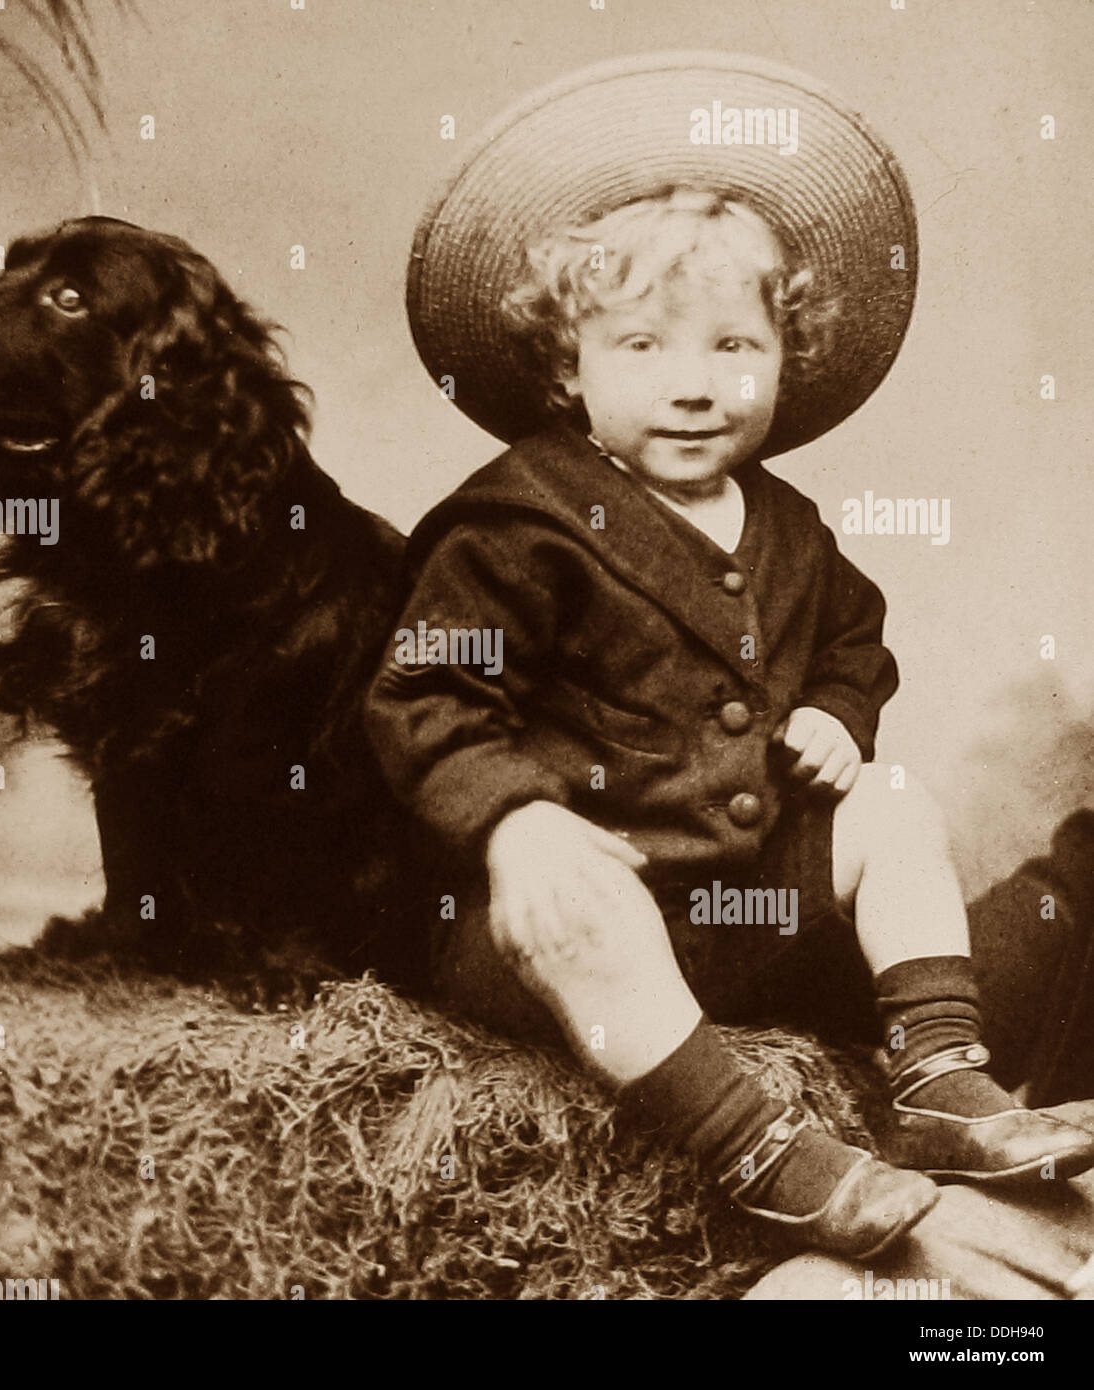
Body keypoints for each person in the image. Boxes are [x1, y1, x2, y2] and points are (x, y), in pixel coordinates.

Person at [367, 52, 1094, 1259]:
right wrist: (517, 823)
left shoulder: (788, 526)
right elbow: (422, 695)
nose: (696, 387)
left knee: (893, 805)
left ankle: (940, 1083)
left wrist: (841, 712)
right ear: (568, 366)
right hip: (565, 925)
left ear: (783, 357)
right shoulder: (521, 519)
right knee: (581, 908)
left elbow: (856, 636)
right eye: (643, 348)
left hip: (740, 911)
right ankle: (753, 1148)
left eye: (732, 348)